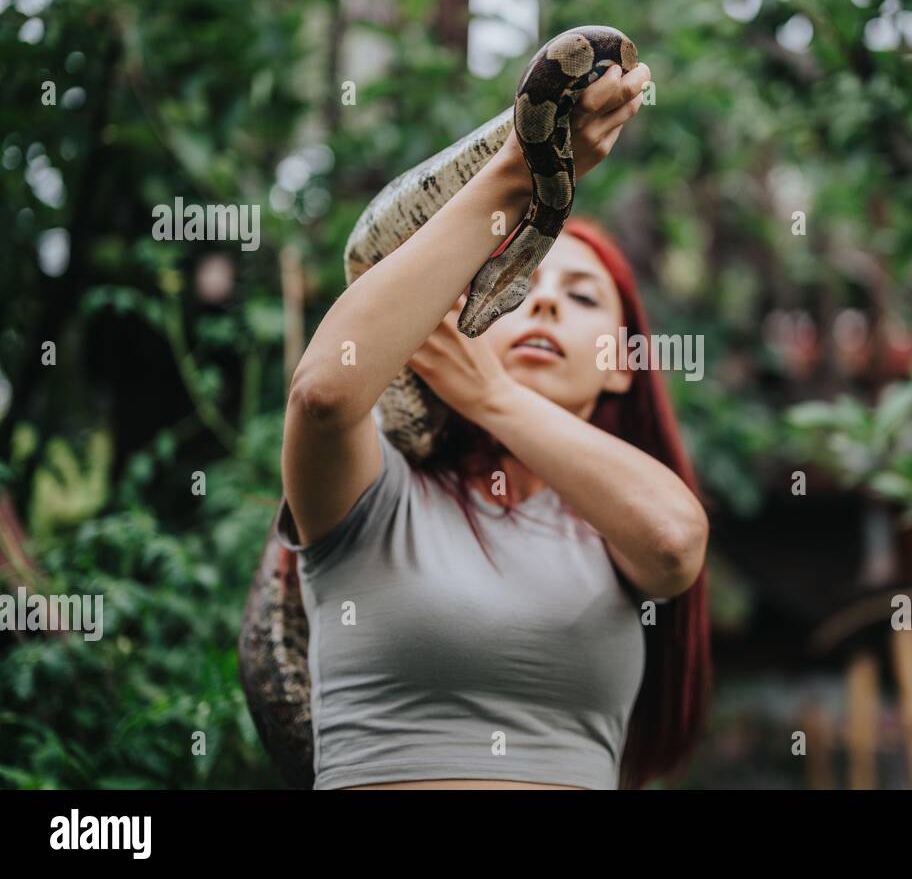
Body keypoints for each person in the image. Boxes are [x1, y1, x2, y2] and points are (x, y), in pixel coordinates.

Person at [274, 60, 711, 789]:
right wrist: (523, 165)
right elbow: (321, 394)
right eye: (524, 285)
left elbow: (673, 542)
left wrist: (492, 397)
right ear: (455, 319)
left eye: (579, 297)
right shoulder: (380, 487)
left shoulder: (616, 529)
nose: (542, 307)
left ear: (620, 364)